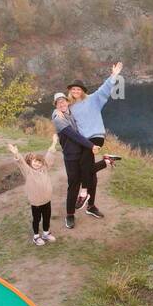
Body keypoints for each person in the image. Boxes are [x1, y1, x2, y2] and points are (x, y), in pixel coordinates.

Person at [52, 92, 105, 228]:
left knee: (91, 178)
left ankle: (91, 206)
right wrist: (92, 145)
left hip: (84, 151)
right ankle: (70, 215)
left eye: (63, 101)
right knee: (74, 183)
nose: (62, 104)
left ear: (68, 102)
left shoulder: (71, 112)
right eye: (59, 103)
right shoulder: (58, 118)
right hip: (71, 155)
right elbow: (74, 135)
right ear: (56, 106)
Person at [6, 141, 57, 245]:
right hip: (36, 203)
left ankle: (46, 233)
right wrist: (16, 153)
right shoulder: (28, 172)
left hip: (47, 201)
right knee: (37, 219)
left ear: (42, 164)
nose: (37, 164)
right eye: (35, 161)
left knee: (47, 217)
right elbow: (21, 163)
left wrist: (54, 143)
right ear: (31, 162)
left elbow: (49, 156)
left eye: (39, 162)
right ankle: (36, 236)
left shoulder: (44, 169)